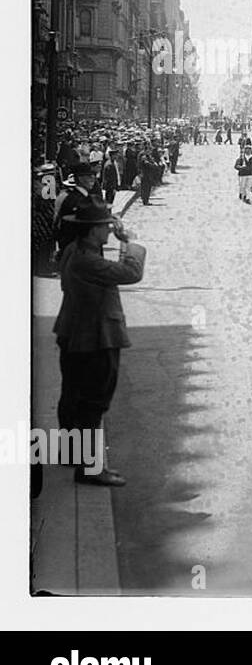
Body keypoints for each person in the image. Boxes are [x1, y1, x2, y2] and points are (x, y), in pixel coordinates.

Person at [52, 201, 146, 487]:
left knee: (72, 395)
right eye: (105, 226)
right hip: (96, 337)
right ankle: (90, 469)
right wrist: (129, 241)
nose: (109, 230)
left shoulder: (74, 250)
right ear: (93, 231)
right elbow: (131, 273)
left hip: (73, 332)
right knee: (94, 402)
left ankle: (71, 453)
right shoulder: (89, 261)